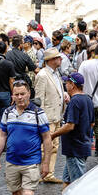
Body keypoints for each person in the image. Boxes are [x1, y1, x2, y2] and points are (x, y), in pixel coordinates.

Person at [0, 79, 52, 195]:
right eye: (16, 94)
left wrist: (46, 162)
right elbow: (2, 135)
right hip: (12, 161)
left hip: (31, 161)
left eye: (23, 94)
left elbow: (47, 138)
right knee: (16, 194)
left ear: (29, 94)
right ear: (12, 95)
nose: (20, 97)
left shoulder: (37, 113)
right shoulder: (8, 112)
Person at [46, 71, 94, 195]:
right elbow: (91, 123)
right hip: (81, 145)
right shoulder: (88, 99)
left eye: (67, 82)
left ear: (72, 85)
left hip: (75, 147)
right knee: (67, 180)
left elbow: (70, 125)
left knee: (77, 183)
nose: (65, 85)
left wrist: (53, 134)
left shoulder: (75, 101)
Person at [33, 47, 66, 184]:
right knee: (44, 147)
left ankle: (49, 174)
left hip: (57, 115)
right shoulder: (42, 75)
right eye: (58, 57)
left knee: (54, 147)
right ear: (51, 60)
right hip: (48, 117)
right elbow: (39, 99)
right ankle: (39, 173)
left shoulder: (56, 74)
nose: (61, 59)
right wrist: (41, 119)